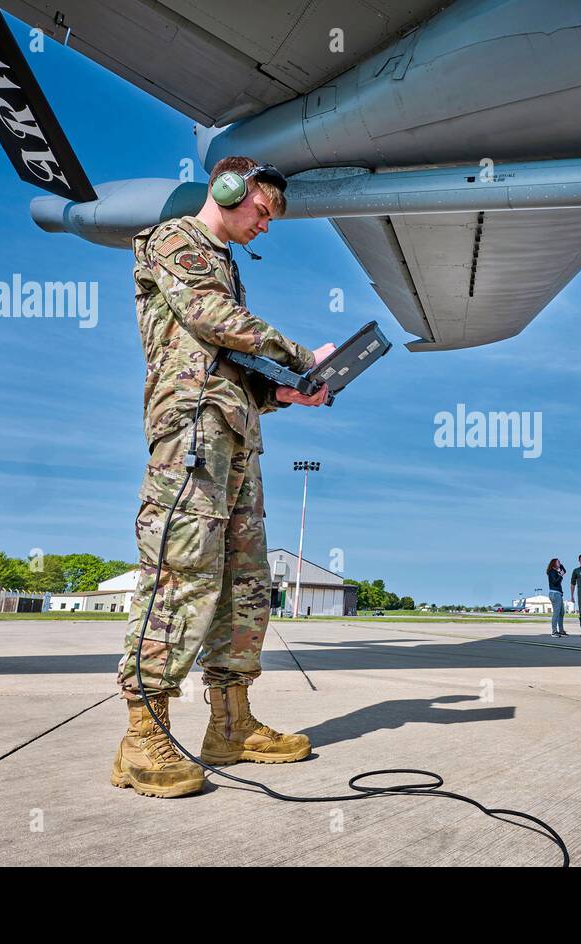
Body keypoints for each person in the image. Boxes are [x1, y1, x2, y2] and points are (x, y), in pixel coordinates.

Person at [112, 156, 336, 798]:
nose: (265, 226)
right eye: (261, 212)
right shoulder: (176, 240)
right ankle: (142, 737)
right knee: (181, 571)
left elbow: (221, 361)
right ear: (228, 190)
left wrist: (281, 393)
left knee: (243, 583)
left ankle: (230, 725)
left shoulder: (229, 265)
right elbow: (210, 319)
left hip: (234, 434)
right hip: (190, 435)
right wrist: (298, 354)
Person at [546, 558, 569, 636]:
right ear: (554, 564)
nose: (559, 563)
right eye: (558, 562)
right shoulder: (551, 572)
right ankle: (554, 631)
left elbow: (564, 570)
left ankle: (561, 631)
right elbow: (554, 582)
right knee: (556, 613)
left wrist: (560, 565)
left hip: (558, 594)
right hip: (554, 594)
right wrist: (560, 576)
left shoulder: (556, 571)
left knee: (561, 612)